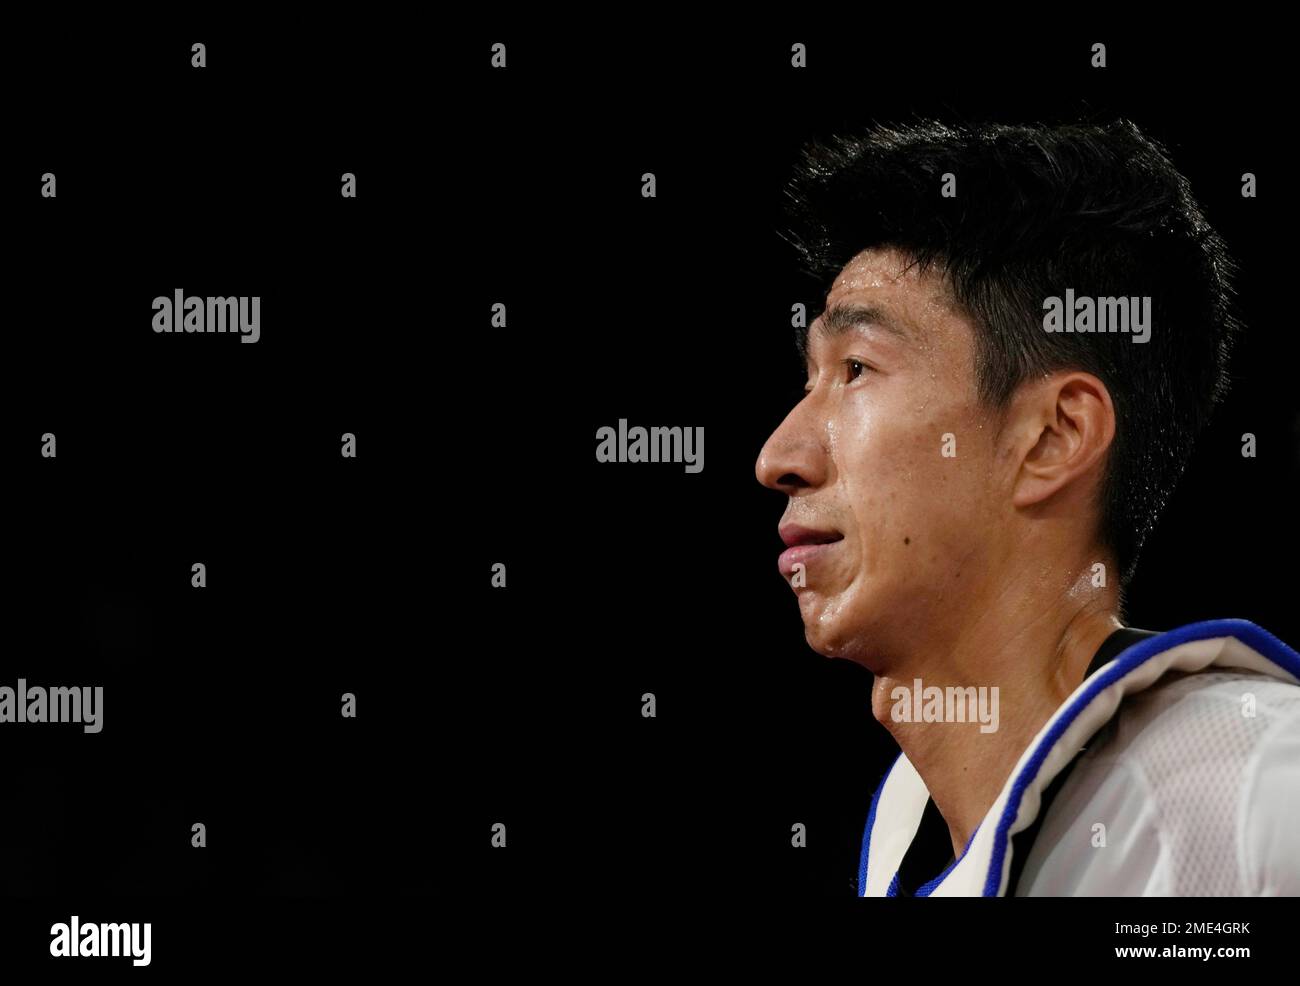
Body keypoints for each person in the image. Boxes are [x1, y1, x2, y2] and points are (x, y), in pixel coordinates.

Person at [755, 120, 1300, 896]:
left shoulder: (1262, 790)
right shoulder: (914, 854)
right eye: (810, 378)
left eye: (856, 368)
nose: (778, 456)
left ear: (1053, 436)